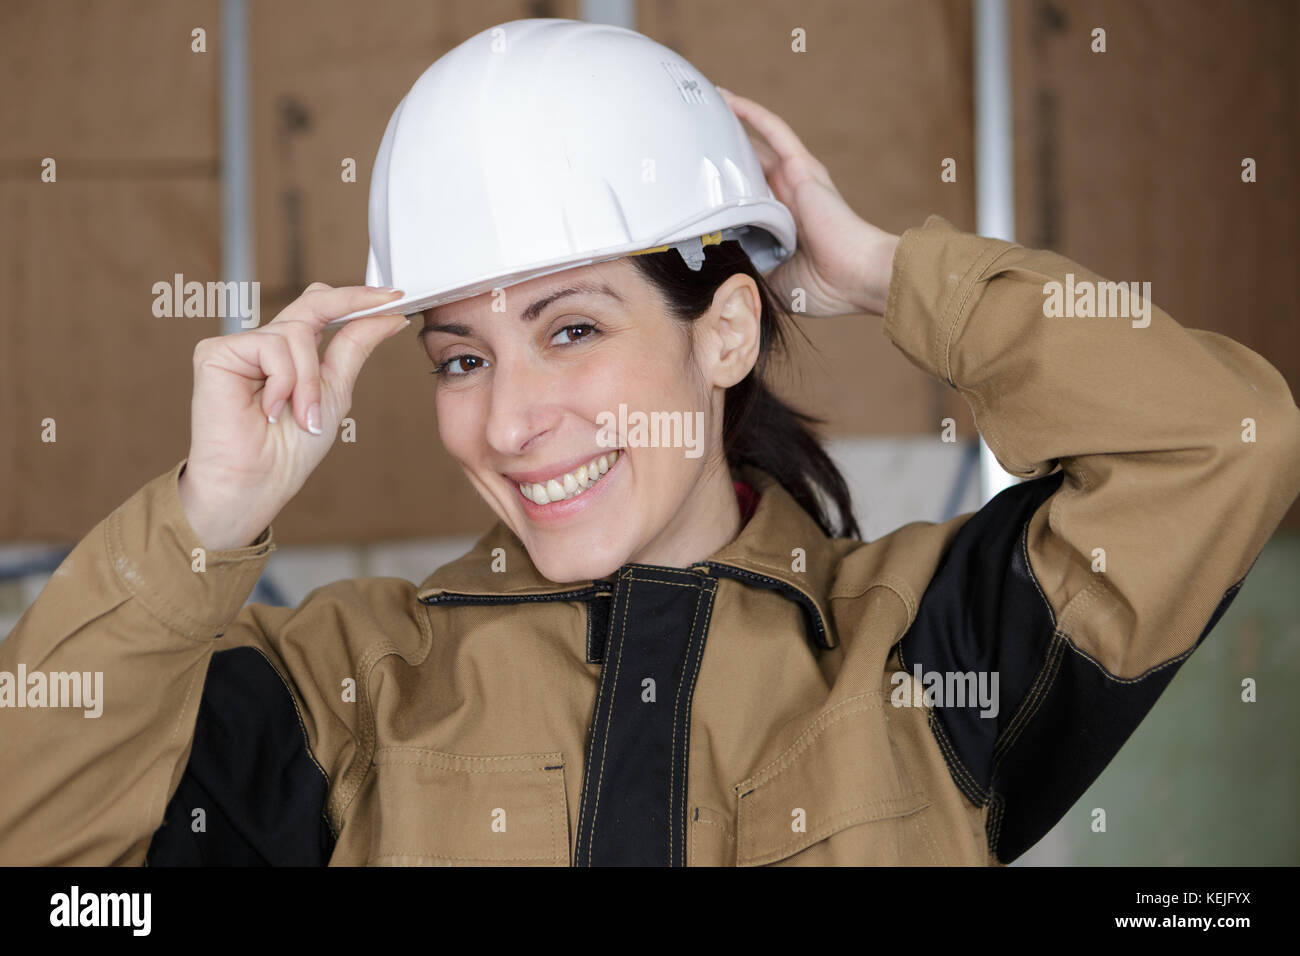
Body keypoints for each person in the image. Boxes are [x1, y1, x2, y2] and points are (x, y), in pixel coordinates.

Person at [2, 19, 1298, 867]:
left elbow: (1220, 443)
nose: (506, 422)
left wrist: (891, 270)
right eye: (459, 354)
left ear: (725, 332)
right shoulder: (340, 686)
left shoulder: (921, 651)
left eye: (571, 331)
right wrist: (202, 529)